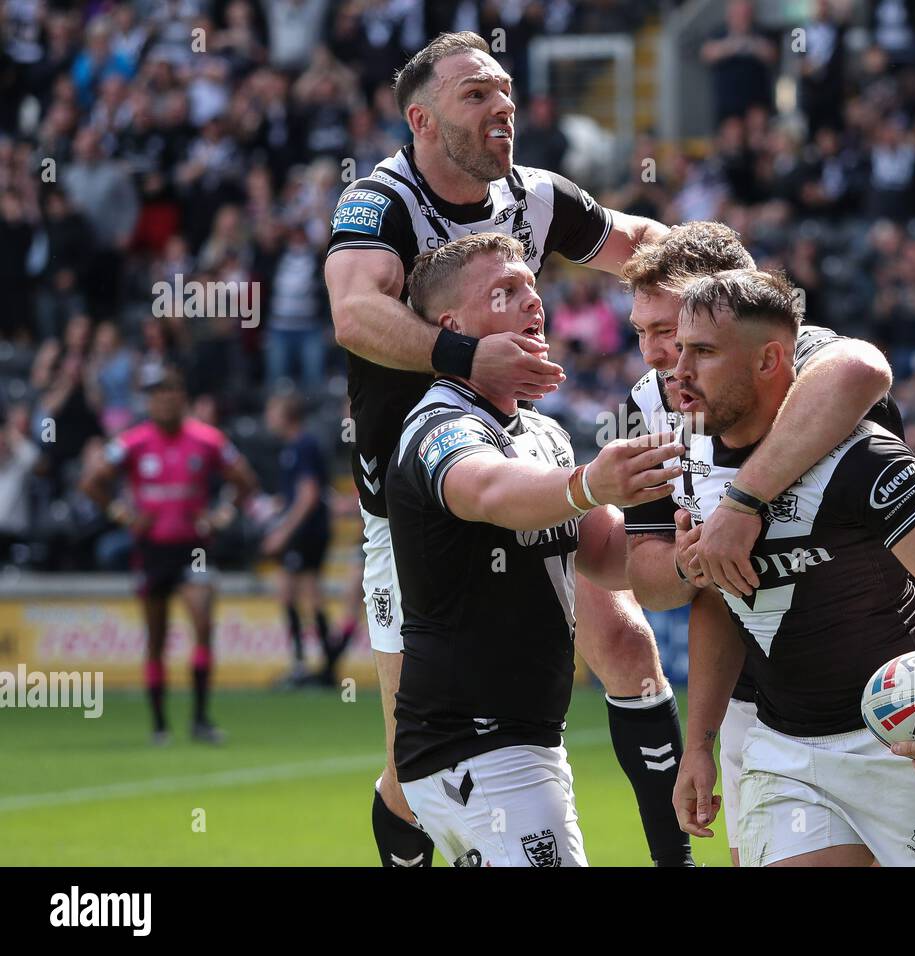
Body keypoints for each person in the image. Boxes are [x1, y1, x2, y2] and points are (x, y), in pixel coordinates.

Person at [324, 31, 690, 866]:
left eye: (507, 97)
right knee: (412, 768)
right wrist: (464, 355)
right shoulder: (379, 201)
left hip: (522, 454)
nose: (503, 110)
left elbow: (642, 248)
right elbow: (353, 314)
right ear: (420, 118)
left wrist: (737, 282)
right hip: (417, 504)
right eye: (476, 95)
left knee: (630, 647)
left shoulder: (536, 196)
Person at [661, 269, 915, 866]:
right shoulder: (693, 461)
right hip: (783, 751)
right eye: (679, 350)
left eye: (704, 352)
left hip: (899, 745)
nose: (679, 371)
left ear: (771, 360)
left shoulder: (861, 456)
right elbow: (723, 603)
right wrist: (698, 743)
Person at [386, 234, 684, 866]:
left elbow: (605, 552)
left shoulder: (541, 430)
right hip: (470, 744)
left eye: (530, 285)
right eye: (506, 292)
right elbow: (489, 490)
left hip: (526, 741)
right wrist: (588, 483)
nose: (533, 302)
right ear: (455, 327)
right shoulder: (438, 423)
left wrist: (693, 539)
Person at [616, 221, 900, 862]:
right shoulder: (649, 405)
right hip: (755, 702)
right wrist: (692, 563)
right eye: (643, 332)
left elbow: (864, 369)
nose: (660, 355)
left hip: (872, 688)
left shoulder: (803, 358)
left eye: (671, 331)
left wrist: (743, 504)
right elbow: (651, 580)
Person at [81, 363, 258, 742]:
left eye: (171, 395)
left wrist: (222, 515)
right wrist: (121, 514)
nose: (165, 403)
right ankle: (160, 725)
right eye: (157, 396)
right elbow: (91, 481)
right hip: (152, 548)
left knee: (203, 625)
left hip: (194, 549)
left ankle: (199, 719)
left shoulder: (207, 440)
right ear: (149, 402)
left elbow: (245, 480)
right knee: (156, 636)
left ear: (183, 400)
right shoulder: (132, 442)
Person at [262, 390, 342, 687]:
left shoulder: (302, 445)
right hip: (309, 530)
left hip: (306, 531)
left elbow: (308, 496)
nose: (268, 418)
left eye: (272, 411)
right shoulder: (294, 447)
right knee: (308, 593)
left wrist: (282, 532)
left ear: (287, 414)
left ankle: (308, 666)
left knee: (294, 593)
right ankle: (325, 667)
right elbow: (299, 494)